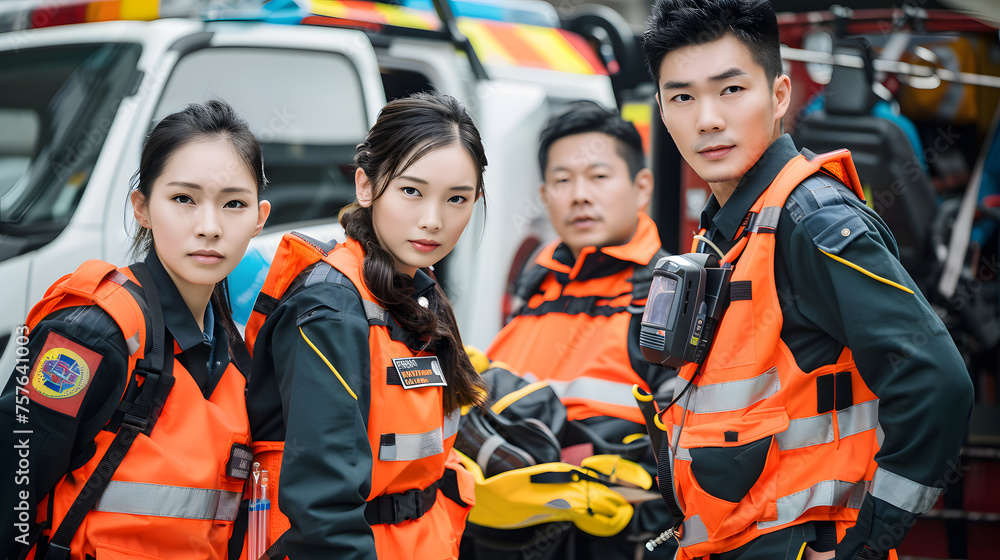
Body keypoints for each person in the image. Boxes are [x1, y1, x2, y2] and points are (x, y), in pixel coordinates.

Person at [640, 1, 974, 559]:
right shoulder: (731, 230)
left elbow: (937, 384)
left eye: (730, 90)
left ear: (777, 96)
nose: (707, 119)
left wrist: (866, 544)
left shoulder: (811, 220)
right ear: (662, 109)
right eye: (682, 97)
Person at [0, 99, 271, 559]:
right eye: (183, 199)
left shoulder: (236, 352)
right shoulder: (88, 334)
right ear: (142, 208)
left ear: (259, 218)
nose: (209, 226)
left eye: (233, 204)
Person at [242, 92, 486, 560]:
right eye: (411, 191)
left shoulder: (416, 291)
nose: (433, 220)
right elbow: (322, 507)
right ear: (366, 186)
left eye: (457, 198)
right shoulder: (331, 308)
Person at [462, 101, 677, 559]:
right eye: (562, 180)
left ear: (641, 188)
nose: (579, 194)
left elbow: (687, 450)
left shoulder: (668, 293)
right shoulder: (536, 282)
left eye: (599, 176)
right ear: (544, 196)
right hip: (499, 535)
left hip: (609, 537)